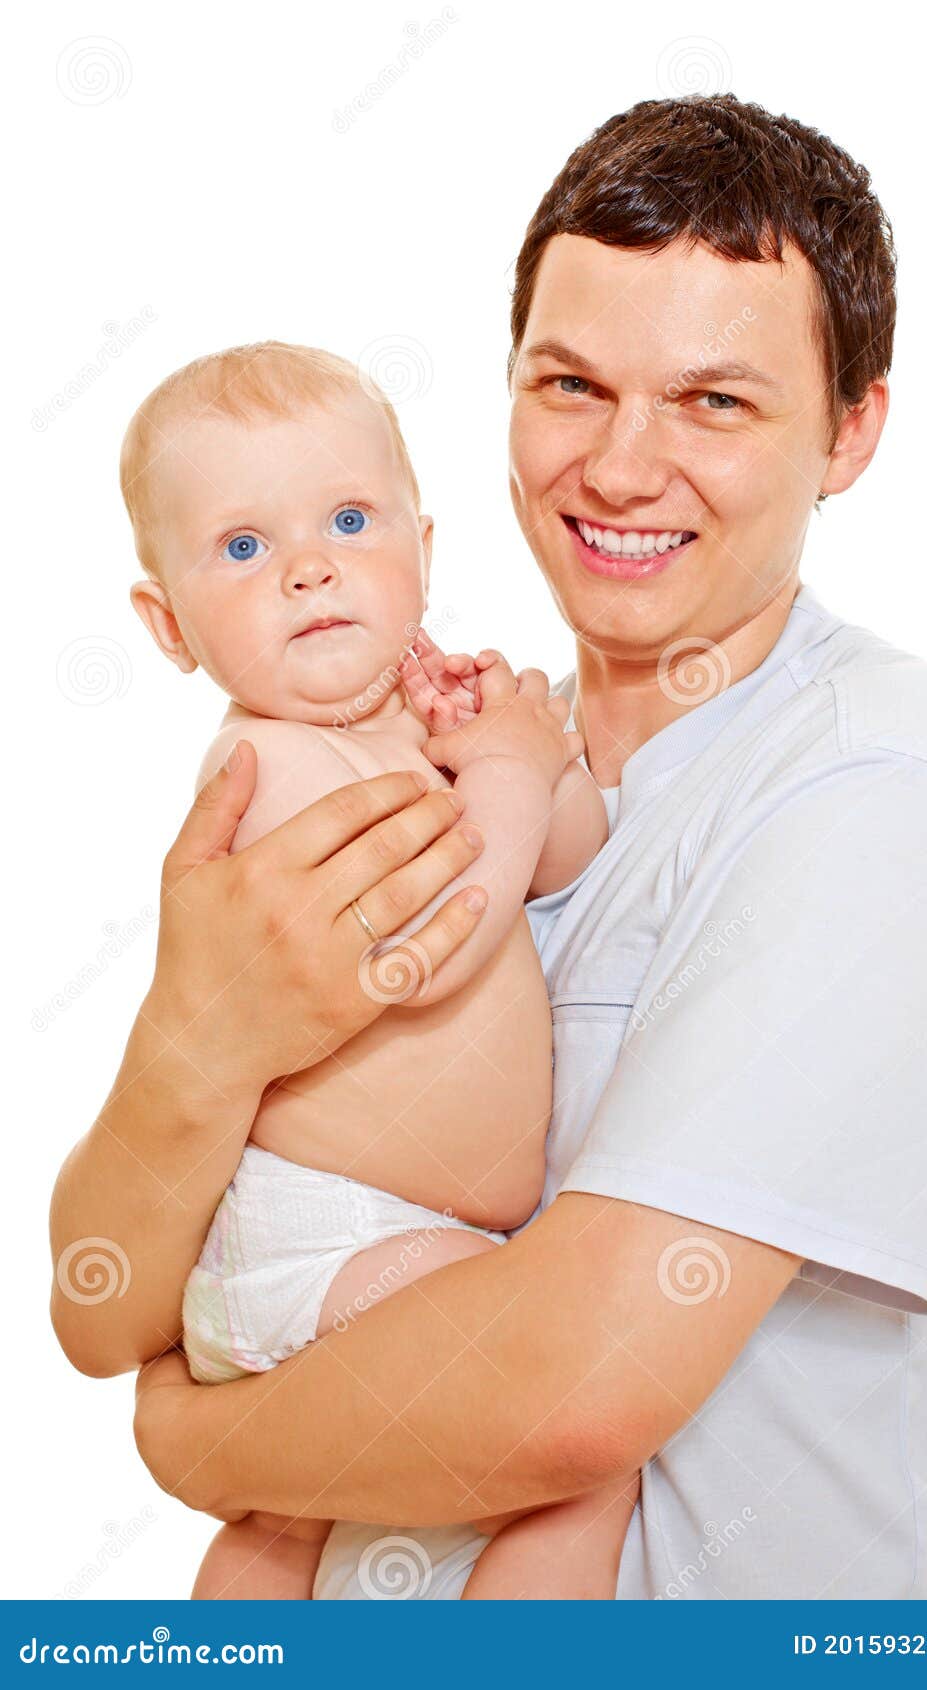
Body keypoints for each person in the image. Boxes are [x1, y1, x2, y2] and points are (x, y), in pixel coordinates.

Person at [50, 94, 927, 1600]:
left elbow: (571, 1392)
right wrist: (198, 1043)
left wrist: (201, 1447)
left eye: (714, 402)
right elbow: (101, 1307)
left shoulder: (877, 787)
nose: (619, 465)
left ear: (851, 430)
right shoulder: (450, 749)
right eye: (570, 384)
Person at [108, 338, 639, 1599]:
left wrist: (531, 754)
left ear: (423, 549)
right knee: (574, 1431)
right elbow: (426, 952)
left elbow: (570, 863)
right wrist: (504, 780)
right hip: (325, 1235)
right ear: (169, 624)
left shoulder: (416, 735)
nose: (308, 566)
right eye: (243, 547)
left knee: (290, 1521)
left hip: (384, 1234)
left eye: (349, 519)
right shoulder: (269, 773)